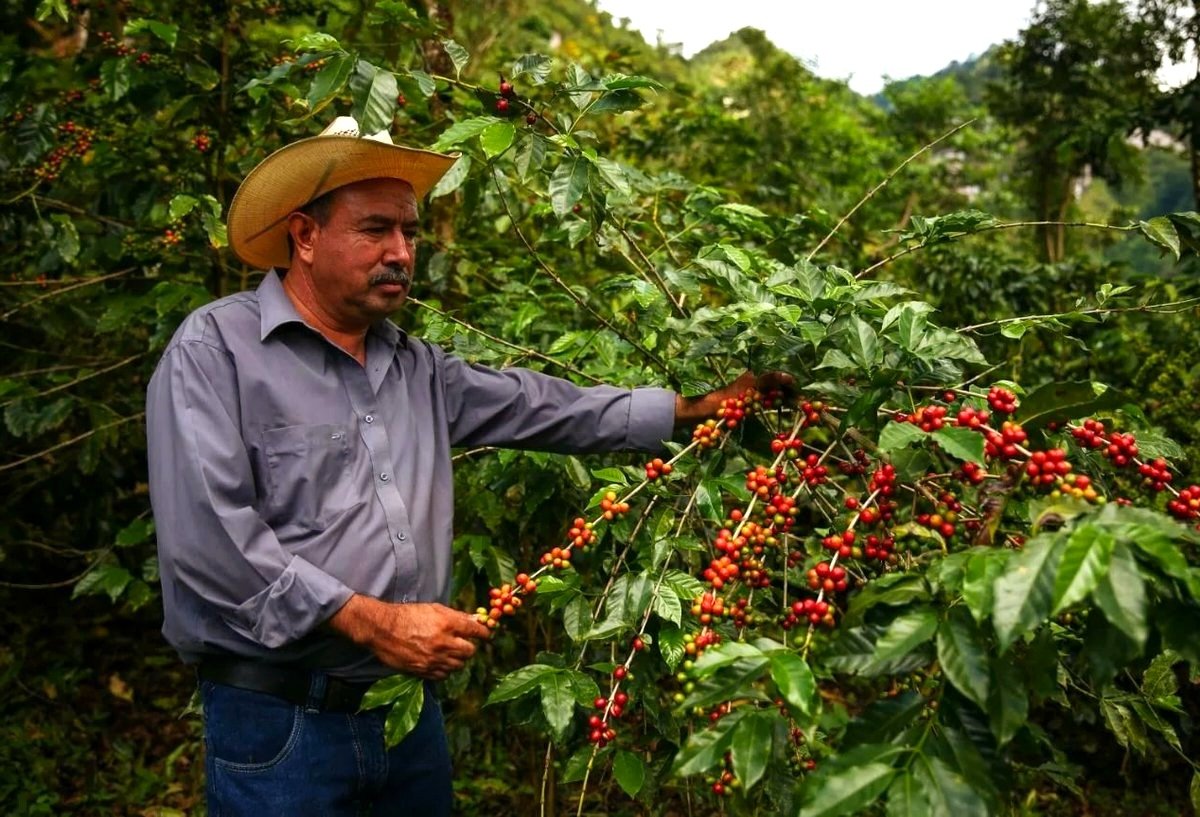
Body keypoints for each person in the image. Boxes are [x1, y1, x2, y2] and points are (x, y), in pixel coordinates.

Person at [146, 116, 783, 816]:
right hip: (279, 722)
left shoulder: (414, 365)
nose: (400, 252)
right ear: (304, 235)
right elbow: (211, 541)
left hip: (407, 716)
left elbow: (544, 406)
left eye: (410, 233)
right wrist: (374, 622)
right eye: (375, 230)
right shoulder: (216, 349)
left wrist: (695, 407)